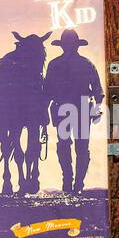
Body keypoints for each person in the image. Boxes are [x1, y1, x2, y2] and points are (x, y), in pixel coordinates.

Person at [43, 29, 104, 193]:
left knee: (66, 145)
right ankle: (76, 184)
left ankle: (70, 183)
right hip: (80, 108)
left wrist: (97, 107)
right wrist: (97, 108)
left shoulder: (54, 64)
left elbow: (47, 92)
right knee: (80, 146)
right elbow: (97, 90)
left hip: (65, 109)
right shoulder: (86, 63)